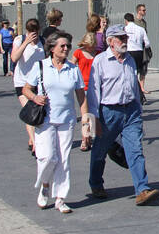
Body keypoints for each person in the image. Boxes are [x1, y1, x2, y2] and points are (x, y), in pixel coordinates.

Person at [86, 24, 159, 205]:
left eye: (125, 38)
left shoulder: (130, 60)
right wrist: (93, 119)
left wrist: (138, 110)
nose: (125, 41)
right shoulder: (100, 61)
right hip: (108, 112)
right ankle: (96, 183)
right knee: (99, 151)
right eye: (121, 38)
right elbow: (93, 92)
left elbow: (133, 86)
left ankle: (142, 189)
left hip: (131, 111)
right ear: (110, 42)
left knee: (135, 149)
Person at [24, 31, 87, 214]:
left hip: (66, 121)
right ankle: (44, 184)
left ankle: (60, 198)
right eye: (62, 46)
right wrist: (35, 97)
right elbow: (26, 89)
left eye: (68, 46)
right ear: (52, 49)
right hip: (45, 120)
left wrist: (86, 124)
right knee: (47, 158)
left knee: (64, 160)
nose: (66, 49)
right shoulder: (40, 66)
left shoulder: (72, 69)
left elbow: (82, 99)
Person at [11, 18, 45, 155]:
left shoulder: (43, 42)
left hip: (38, 83)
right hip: (22, 82)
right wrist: (26, 42)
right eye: (30, 31)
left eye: (35, 31)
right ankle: (35, 144)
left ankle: (33, 140)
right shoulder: (19, 40)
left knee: (38, 112)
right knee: (29, 110)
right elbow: (14, 58)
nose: (33, 34)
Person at [72, 31, 100, 151]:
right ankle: (85, 138)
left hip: (95, 87)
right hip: (82, 87)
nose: (91, 48)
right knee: (85, 114)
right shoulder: (78, 53)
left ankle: (89, 135)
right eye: (89, 46)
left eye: (93, 46)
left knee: (93, 113)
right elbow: (72, 67)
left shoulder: (98, 53)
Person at [124, 12, 151, 103]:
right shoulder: (141, 29)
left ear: (126, 21)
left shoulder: (124, 29)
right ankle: (139, 95)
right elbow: (147, 44)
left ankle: (138, 95)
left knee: (130, 74)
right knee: (136, 73)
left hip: (128, 52)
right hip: (139, 53)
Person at [136, 2, 154, 72]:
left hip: (143, 48)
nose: (145, 12)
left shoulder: (144, 22)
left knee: (143, 71)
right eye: (143, 10)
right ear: (139, 11)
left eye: (145, 10)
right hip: (136, 47)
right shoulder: (134, 22)